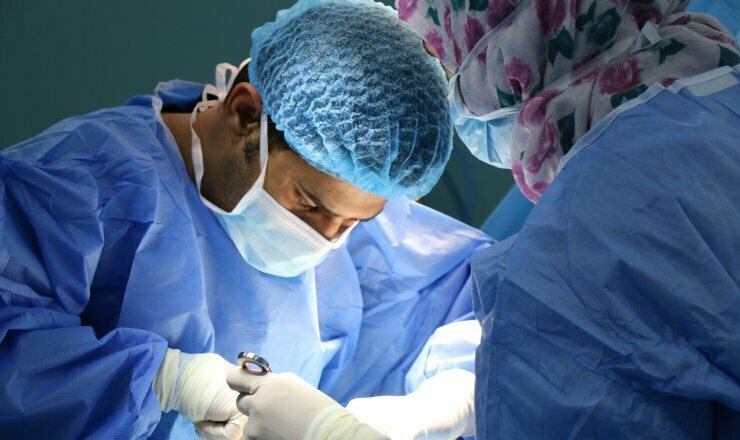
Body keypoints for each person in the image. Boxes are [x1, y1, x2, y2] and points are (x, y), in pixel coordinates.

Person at [228, 0, 740, 438]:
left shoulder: (593, 226)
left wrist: (338, 432)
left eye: (443, 65)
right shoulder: (719, 102)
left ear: (506, 62)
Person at [0, 0, 492, 438]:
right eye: (309, 205)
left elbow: (482, 308)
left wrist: (438, 407)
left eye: (352, 224)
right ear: (244, 116)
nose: (326, 240)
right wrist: (167, 381)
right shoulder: (71, 187)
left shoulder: (354, 192)